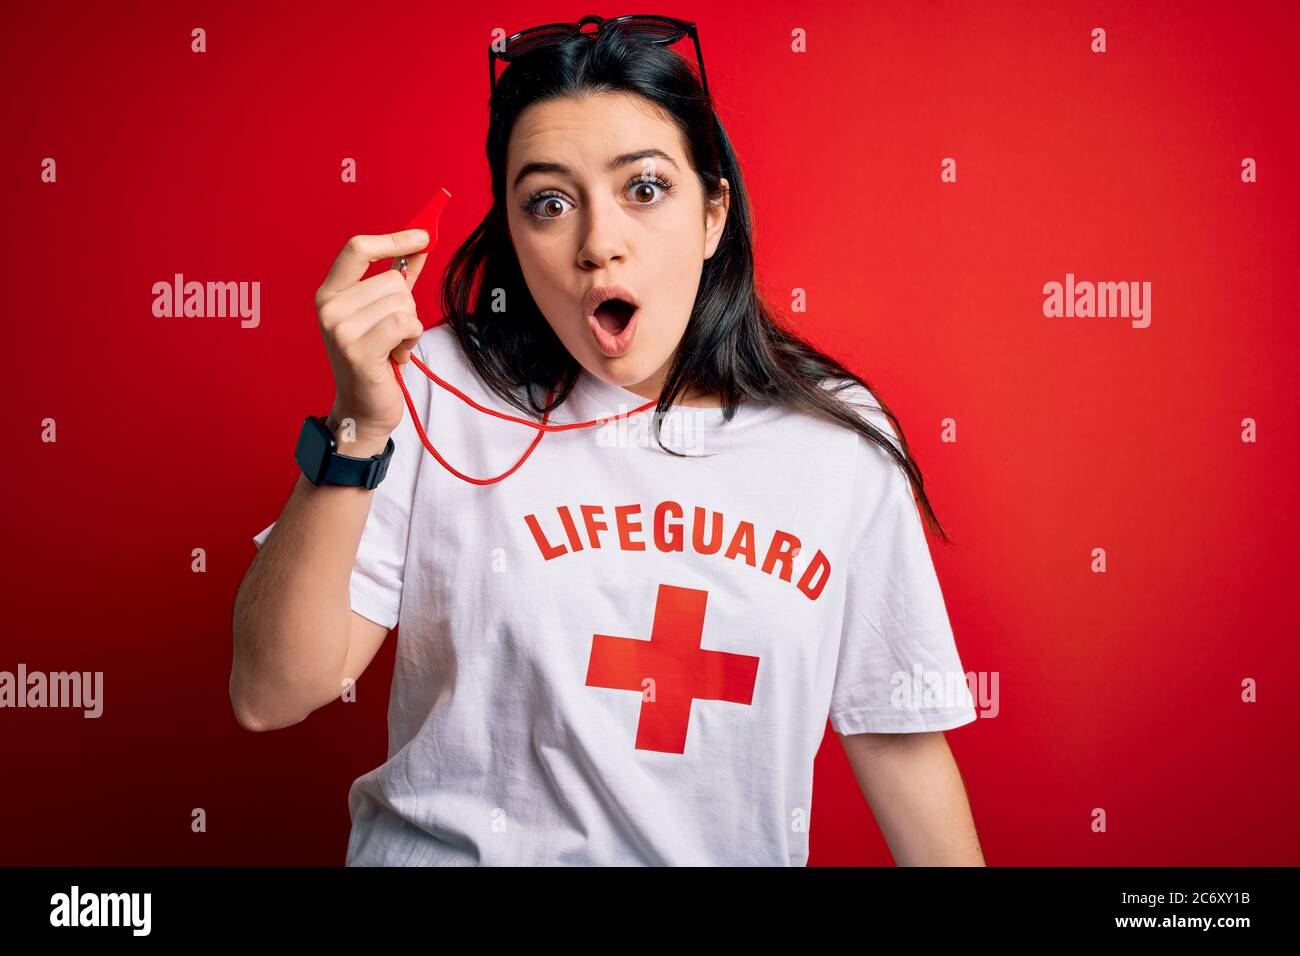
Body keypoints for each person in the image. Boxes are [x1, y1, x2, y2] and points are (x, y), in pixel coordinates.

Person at [230, 15, 984, 866]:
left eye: (646, 189)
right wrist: (359, 425)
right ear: (514, 236)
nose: (598, 245)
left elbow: (900, 740)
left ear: (712, 214)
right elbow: (271, 693)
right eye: (549, 203)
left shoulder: (834, 440)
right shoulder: (433, 388)